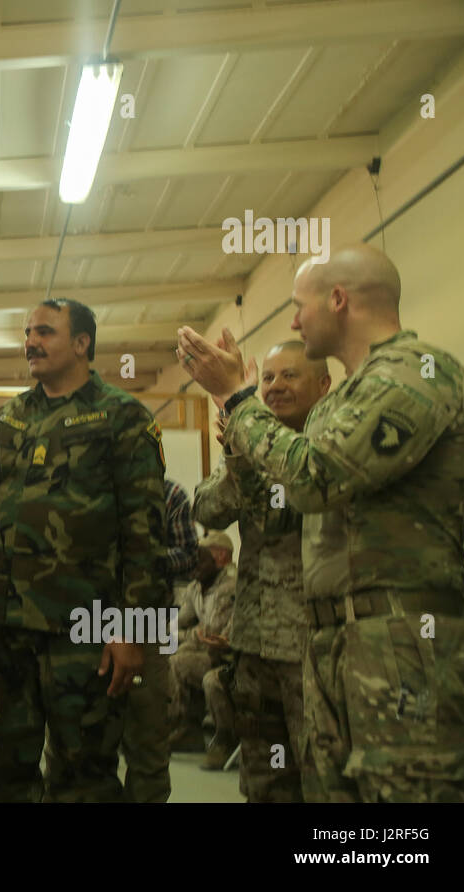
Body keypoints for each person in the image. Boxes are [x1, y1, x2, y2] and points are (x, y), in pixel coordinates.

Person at [178, 242, 464, 802]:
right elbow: (280, 501)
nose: (293, 319)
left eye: (299, 305)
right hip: (334, 640)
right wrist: (243, 432)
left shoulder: (414, 375)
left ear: (338, 300)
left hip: (402, 641)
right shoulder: (344, 403)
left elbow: (317, 477)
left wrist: (237, 400)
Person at [0, 299, 166, 802]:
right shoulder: (6, 421)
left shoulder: (123, 417)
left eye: (45, 332)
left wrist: (135, 629)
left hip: (86, 631)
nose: (31, 341)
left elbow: (145, 531)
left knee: (84, 777)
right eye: (28, 332)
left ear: (82, 344)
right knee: (3, 774)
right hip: (7, 627)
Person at [193, 340, 330, 800]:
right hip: (253, 644)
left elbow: (279, 513)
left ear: (324, 385)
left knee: (319, 777)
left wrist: (245, 439)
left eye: (289, 376)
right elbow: (207, 509)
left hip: (308, 648)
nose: (274, 387)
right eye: (267, 378)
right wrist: (238, 451)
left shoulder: (324, 450)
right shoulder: (247, 445)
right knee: (264, 781)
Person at [119, 477, 198, 802]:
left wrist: (143, 559)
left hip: (147, 622)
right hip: (91, 619)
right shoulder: (88, 483)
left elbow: (189, 556)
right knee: (82, 747)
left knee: (149, 742)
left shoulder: (170, 495)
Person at [169, 533, 237, 765]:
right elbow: (178, 622)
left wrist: (182, 636)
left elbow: (211, 633)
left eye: (201, 557)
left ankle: (224, 739)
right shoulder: (197, 586)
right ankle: (186, 731)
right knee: (177, 652)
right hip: (210, 654)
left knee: (181, 660)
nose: (194, 564)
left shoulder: (229, 587)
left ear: (220, 557)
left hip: (229, 658)